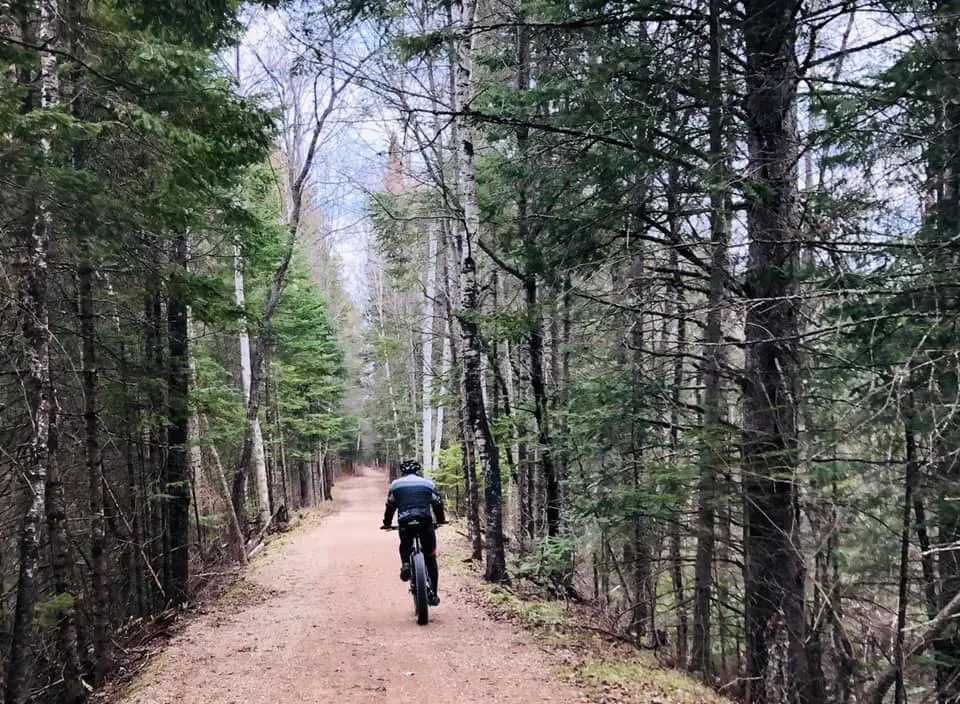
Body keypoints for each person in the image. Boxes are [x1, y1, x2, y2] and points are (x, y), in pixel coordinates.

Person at [382, 459, 446, 606]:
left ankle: (405, 564)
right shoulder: (428, 484)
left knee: (405, 544)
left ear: (403, 471)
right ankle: (434, 595)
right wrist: (441, 520)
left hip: (405, 522)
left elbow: (390, 506)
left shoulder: (396, 485)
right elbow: (437, 503)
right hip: (425, 522)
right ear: (417, 471)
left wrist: (386, 523)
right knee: (430, 557)